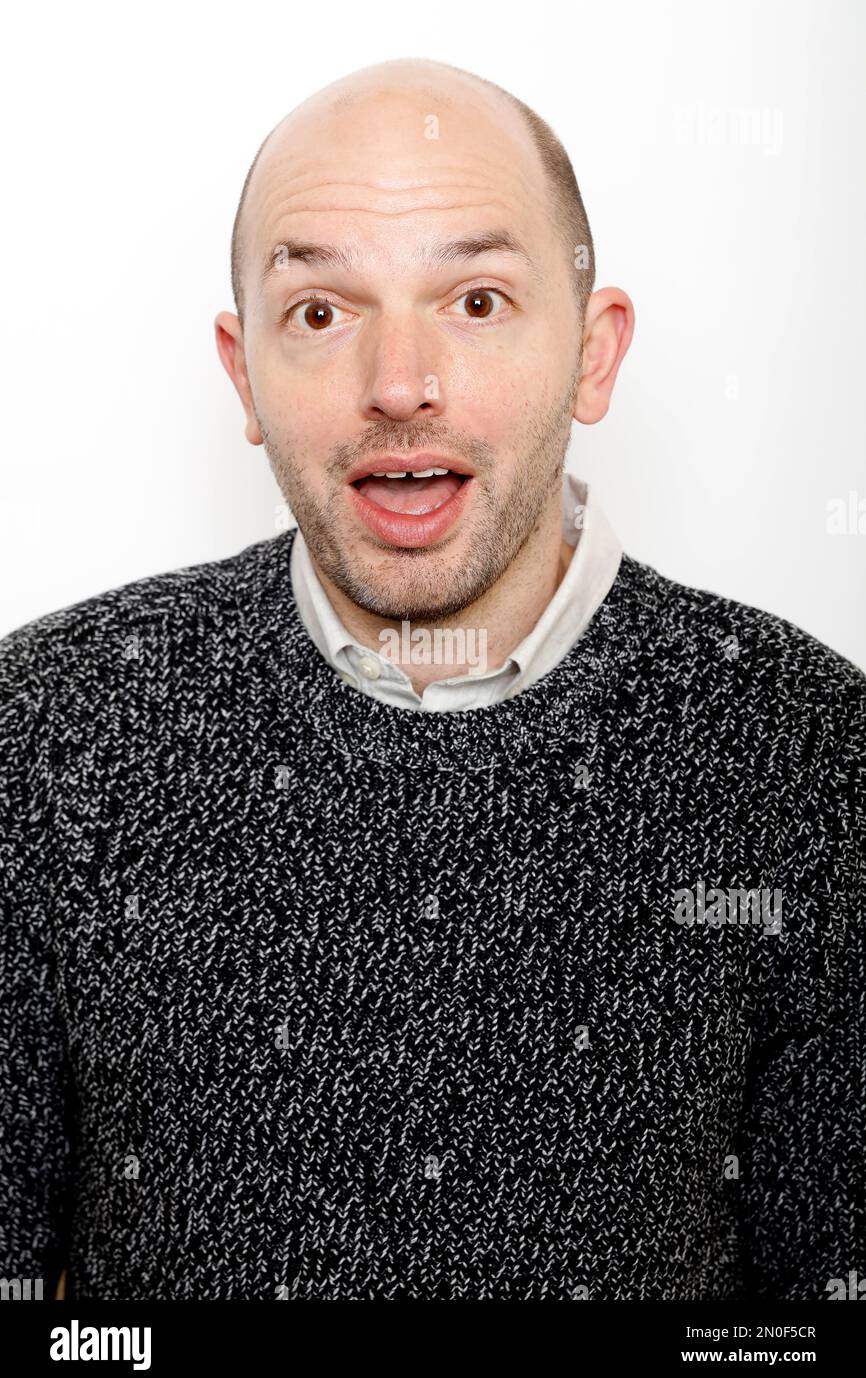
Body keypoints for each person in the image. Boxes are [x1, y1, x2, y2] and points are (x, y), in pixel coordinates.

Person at [1, 58, 863, 1301]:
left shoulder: (812, 754)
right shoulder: (46, 733)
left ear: (593, 355)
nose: (399, 383)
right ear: (243, 375)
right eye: (320, 311)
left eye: (474, 299)